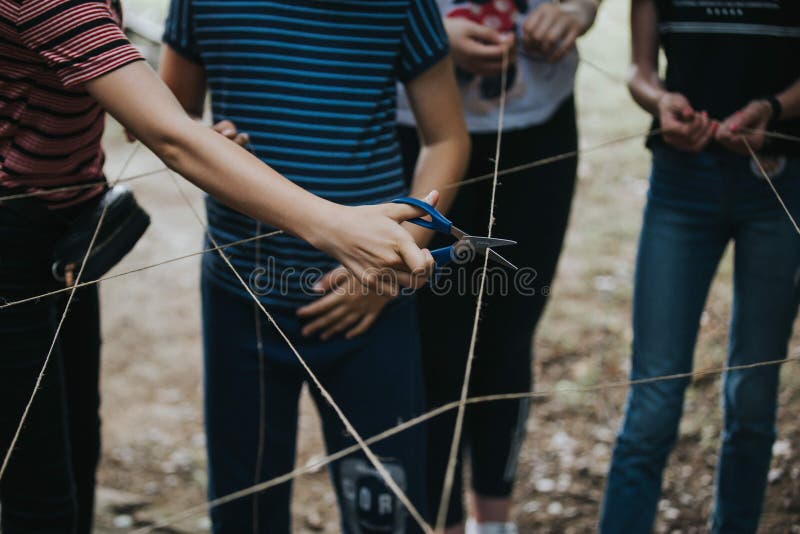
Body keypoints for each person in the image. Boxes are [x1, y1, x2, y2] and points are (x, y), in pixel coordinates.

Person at [0, 1, 440, 532]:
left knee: (72, 453)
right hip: (18, 243)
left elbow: (165, 116)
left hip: (66, 240)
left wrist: (204, 139)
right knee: (38, 493)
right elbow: (168, 130)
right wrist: (340, 228)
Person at [159, 1, 470, 532]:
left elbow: (447, 138)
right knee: (244, 507)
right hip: (243, 295)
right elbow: (170, 116)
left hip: (372, 304)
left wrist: (392, 265)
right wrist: (208, 140)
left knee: (388, 510)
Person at [397, 1, 600, 532]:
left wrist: (578, 8)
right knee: (429, 345)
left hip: (537, 125)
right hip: (415, 130)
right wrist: (429, 32)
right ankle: (437, 522)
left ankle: (494, 521)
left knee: (510, 334)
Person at [600, 1, 800, 532]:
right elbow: (638, 71)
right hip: (679, 185)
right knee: (653, 400)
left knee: (754, 397)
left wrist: (772, 108)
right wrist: (661, 100)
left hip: (779, 181)